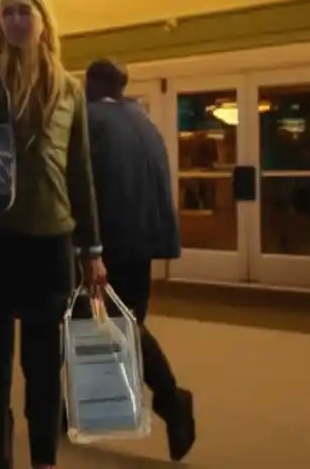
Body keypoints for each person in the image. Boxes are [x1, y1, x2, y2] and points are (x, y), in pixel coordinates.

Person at [0, 0, 106, 469]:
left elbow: (80, 171)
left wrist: (93, 249)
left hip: (51, 238)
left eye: (26, 12)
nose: (18, 21)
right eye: (8, 14)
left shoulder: (69, 89)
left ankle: (43, 454)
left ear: (44, 22)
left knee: (44, 359)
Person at [85, 58, 196, 462]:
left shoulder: (91, 120)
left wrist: (86, 246)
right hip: (145, 240)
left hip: (110, 242)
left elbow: (85, 185)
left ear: (92, 84)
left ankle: (171, 398)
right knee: (117, 322)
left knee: (117, 324)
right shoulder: (142, 119)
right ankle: (85, 408)